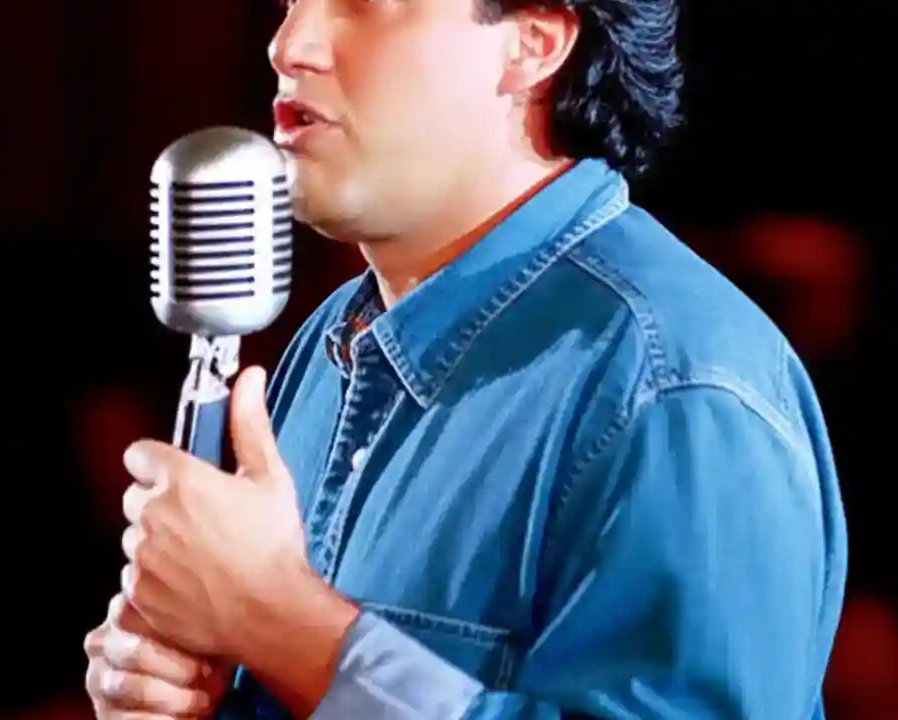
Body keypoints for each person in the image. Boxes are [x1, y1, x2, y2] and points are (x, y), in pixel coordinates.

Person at [83, 0, 849, 716]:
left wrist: (284, 627)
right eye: (290, 1)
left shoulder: (673, 384)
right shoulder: (330, 342)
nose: (290, 45)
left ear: (533, 43)